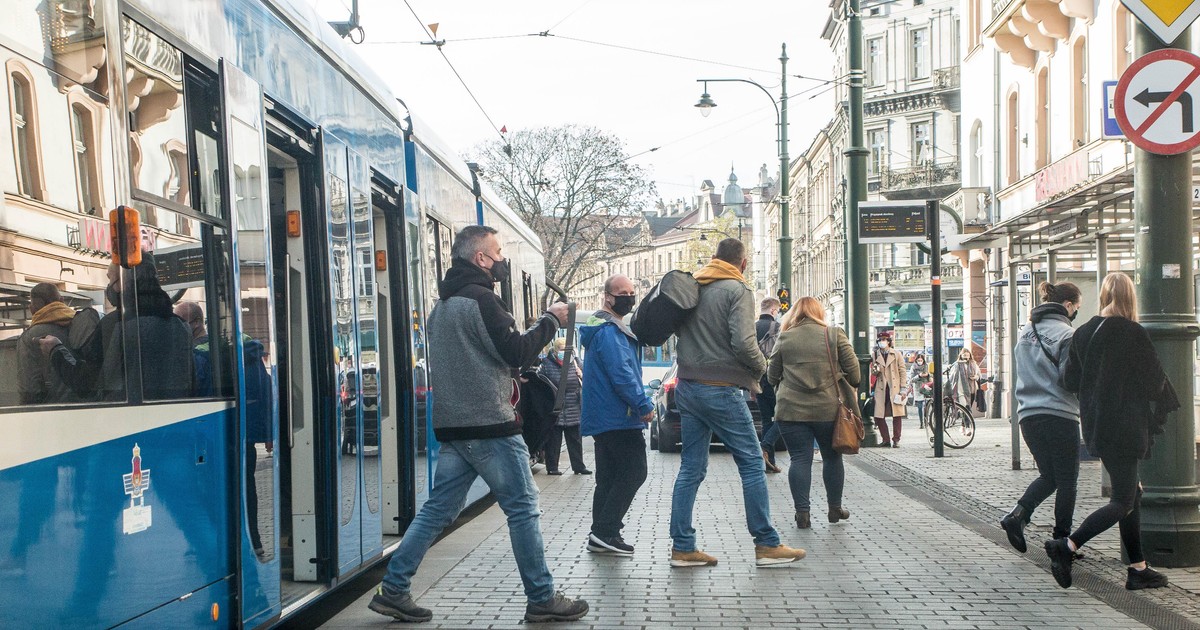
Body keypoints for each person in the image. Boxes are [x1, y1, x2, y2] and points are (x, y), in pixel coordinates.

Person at [370, 225, 588, 623]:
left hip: (454, 428)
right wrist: (551, 322)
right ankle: (541, 597)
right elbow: (517, 352)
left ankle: (394, 589)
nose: (502, 259)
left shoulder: (442, 306)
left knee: (436, 511)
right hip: (491, 427)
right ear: (481, 259)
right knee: (523, 508)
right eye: (498, 252)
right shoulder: (483, 301)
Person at [668, 238, 805, 568]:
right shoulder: (737, 290)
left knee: (691, 468)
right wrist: (763, 370)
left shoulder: (695, 285)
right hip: (721, 388)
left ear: (715, 257)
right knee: (752, 463)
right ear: (743, 264)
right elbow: (744, 344)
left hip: (687, 386)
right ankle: (767, 544)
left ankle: (683, 547)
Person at [1048, 273, 1177, 591]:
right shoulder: (1133, 332)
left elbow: (1069, 380)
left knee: (1133, 493)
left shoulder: (1084, 332)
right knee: (1122, 499)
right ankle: (1067, 546)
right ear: (1131, 298)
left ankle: (1138, 568)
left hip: (1097, 425)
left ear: (1104, 296)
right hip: (1126, 425)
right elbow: (1154, 381)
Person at [1000, 282, 1082, 555]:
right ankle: (1061, 541)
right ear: (1068, 306)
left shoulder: (1025, 332)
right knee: (1067, 480)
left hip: (1027, 415)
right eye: (1077, 308)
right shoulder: (1067, 334)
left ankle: (1017, 515)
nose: (1076, 313)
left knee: (1049, 475)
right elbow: (1070, 379)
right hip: (1060, 414)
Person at [42, 256, 192, 401]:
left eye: (110, 279)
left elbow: (87, 384)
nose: (109, 287)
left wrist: (56, 351)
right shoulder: (180, 325)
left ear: (122, 282)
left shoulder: (114, 325)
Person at [767, 297, 859, 529]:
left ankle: (802, 514)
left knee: (799, 459)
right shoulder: (834, 335)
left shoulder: (784, 338)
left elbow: (771, 376)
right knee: (832, 457)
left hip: (791, 411)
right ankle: (835, 509)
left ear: (794, 313)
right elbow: (855, 373)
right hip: (829, 410)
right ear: (820, 312)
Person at [578, 274, 653, 556]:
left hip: (605, 417)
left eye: (632, 292)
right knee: (635, 472)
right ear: (607, 297)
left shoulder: (603, 328)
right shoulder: (610, 332)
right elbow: (622, 374)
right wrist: (642, 404)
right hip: (618, 417)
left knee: (609, 477)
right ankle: (605, 531)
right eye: (622, 292)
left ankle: (602, 535)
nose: (629, 297)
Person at [18, 283, 96, 404]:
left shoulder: (28, 338)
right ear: (62, 301)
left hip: (54, 413)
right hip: (93, 407)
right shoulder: (85, 324)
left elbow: (30, 388)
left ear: (31, 309)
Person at [541, 338, 590, 476]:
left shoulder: (576, 363)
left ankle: (579, 466)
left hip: (573, 406)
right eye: (562, 349)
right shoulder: (546, 363)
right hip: (555, 408)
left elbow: (587, 379)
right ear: (556, 350)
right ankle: (552, 467)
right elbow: (541, 382)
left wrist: (582, 375)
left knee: (575, 439)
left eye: (567, 350)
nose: (565, 352)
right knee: (554, 440)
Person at [756, 297, 783, 474]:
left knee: (766, 419)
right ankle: (765, 446)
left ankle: (769, 461)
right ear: (773, 311)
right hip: (775, 379)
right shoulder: (779, 328)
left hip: (757, 380)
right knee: (784, 417)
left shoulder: (751, 327)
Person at [869, 331, 906, 447]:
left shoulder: (896, 354)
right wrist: (875, 370)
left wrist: (903, 388)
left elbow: (902, 371)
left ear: (889, 342)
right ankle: (886, 439)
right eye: (880, 340)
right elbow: (873, 373)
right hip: (881, 388)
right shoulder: (875, 354)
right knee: (878, 415)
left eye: (884, 340)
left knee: (897, 415)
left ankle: (896, 439)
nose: (882, 342)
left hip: (894, 387)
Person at [909, 354, 932, 428]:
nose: (920, 362)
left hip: (926, 387)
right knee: (919, 407)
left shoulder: (926, 366)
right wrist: (919, 376)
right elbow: (912, 380)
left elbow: (930, 377)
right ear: (916, 361)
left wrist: (928, 375)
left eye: (921, 360)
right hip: (918, 389)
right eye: (918, 360)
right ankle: (921, 423)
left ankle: (926, 422)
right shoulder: (913, 367)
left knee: (926, 406)